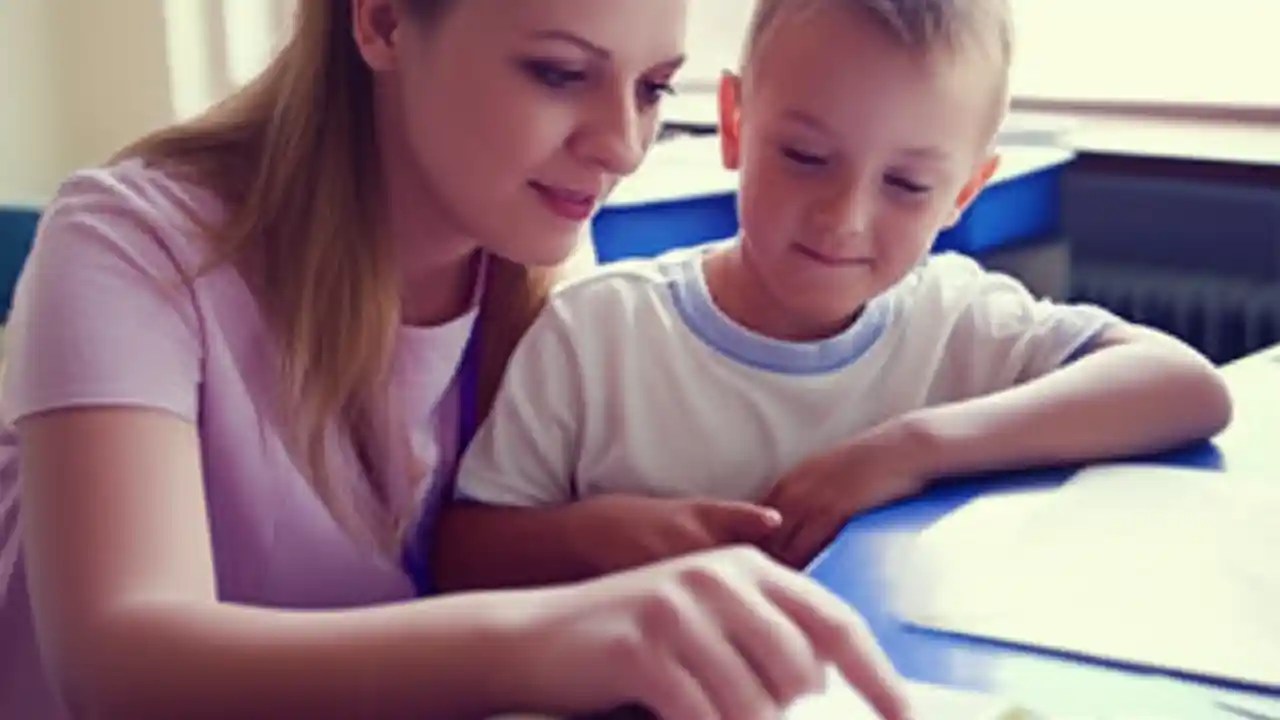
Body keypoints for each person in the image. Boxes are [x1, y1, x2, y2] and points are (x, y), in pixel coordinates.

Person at [0, 1, 911, 718]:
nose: (622, 148)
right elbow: (119, 666)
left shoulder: (540, 254)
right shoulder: (130, 247)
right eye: (559, 73)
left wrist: (602, 544)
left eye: (651, 88)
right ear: (384, 18)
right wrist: (562, 635)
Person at [434, 0, 1233, 588]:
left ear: (965, 192)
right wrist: (600, 539)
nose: (844, 218)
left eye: (908, 183)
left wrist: (910, 451)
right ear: (736, 123)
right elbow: (461, 556)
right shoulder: (598, 332)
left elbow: (1185, 387)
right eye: (807, 156)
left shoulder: (956, 321)